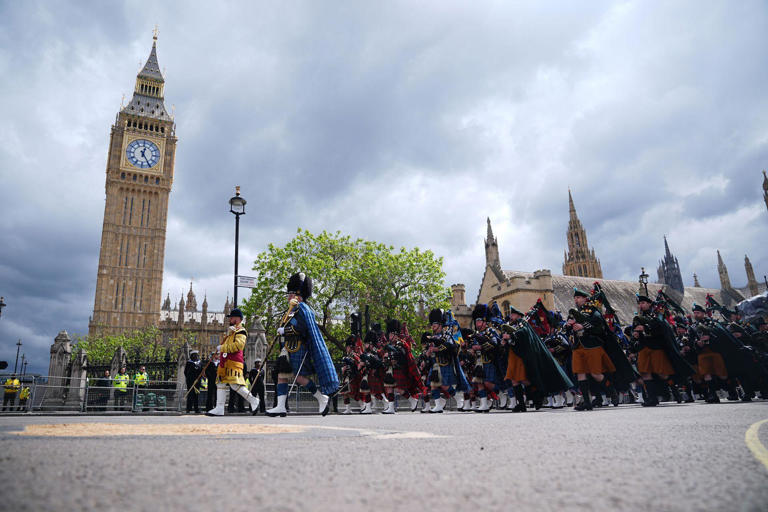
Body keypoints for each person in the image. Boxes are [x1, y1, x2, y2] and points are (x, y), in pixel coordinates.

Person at [266, 272, 339, 417]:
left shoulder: (303, 309)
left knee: (299, 377)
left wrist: (285, 330)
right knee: (282, 375)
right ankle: (280, 406)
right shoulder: (292, 310)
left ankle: (321, 397)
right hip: (287, 349)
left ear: (297, 295)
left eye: (290, 294)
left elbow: (301, 328)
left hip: (298, 347)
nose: (288, 297)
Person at [207, 308, 260, 416]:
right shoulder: (231, 332)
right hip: (224, 363)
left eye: (231, 317)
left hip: (233, 362)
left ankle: (253, 400)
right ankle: (219, 408)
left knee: (235, 385)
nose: (230, 319)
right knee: (220, 383)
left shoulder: (241, 331)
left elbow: (238, 346)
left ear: (238, 319)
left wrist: (222, 347)